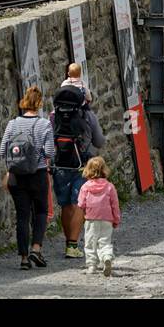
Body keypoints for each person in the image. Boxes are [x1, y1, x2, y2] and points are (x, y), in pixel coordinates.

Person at [0, 86, 55, 270]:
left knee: (22, 216)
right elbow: (49, 152)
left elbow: (2, 151)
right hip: (37, 174)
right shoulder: (44, 124)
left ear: (24, 102)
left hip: (17, 176)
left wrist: (12, 167)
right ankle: (36, 248)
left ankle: (24, 258)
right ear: (39, 103)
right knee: (40, 211)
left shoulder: (12, 124)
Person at [51, 75, 106, 259]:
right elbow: (99, 141)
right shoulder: (87, 115)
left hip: (59, 165)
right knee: (78, 204)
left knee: (65, 205)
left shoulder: (53, 116)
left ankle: (69, 241)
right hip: (82, 165)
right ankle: (72, 244)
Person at [77, 157, 121, 277]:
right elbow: (115, 205)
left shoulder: (85, 187)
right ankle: (106, 257)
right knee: (105, 242)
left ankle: (92, 266)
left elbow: (81, 204)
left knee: (91, 243)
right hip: (107, 219)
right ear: (104, 170)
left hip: (91, 219)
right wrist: (116, 219)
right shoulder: (109, 186)